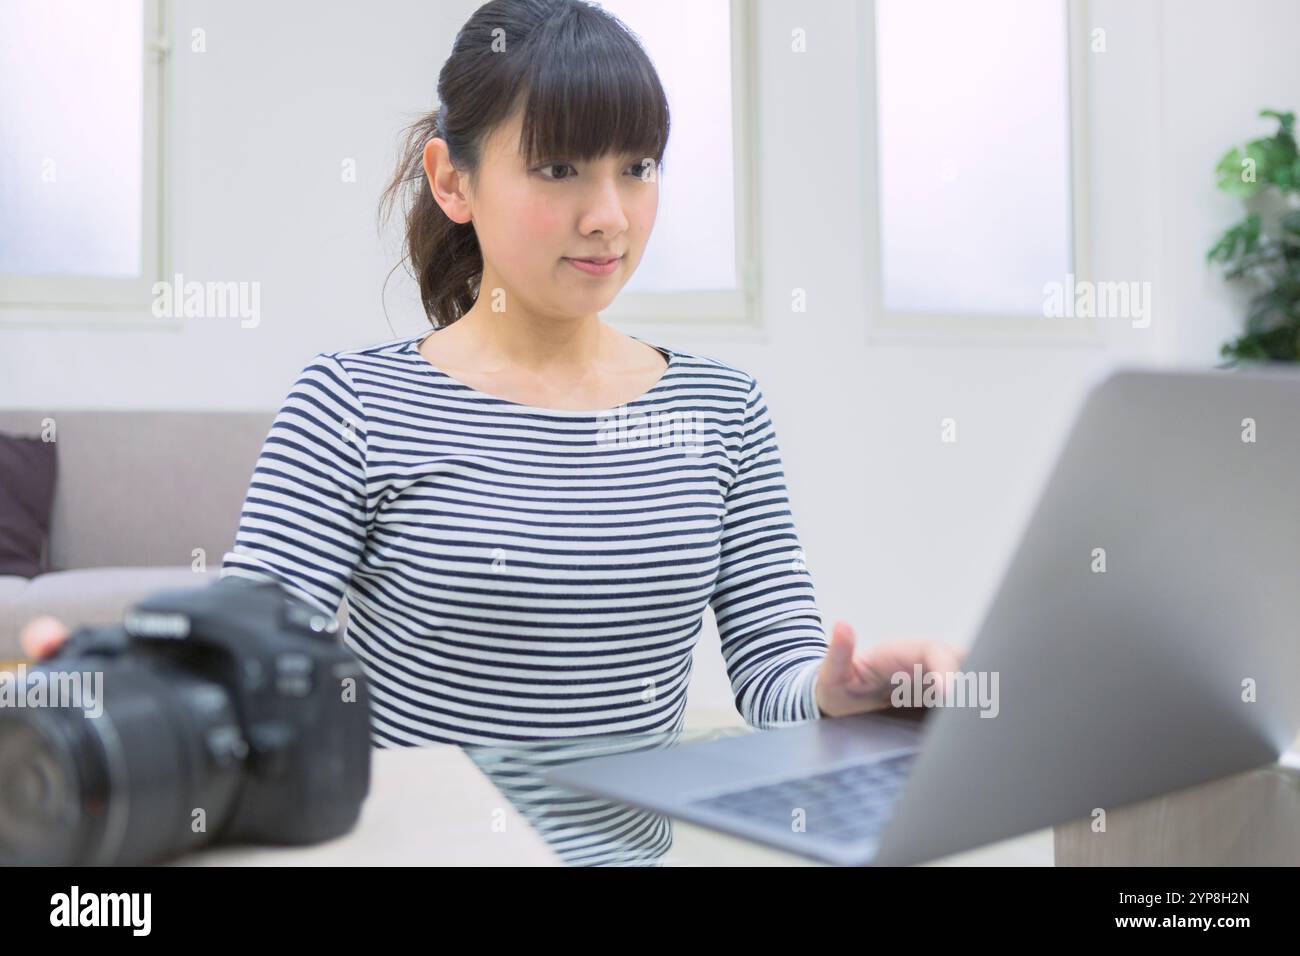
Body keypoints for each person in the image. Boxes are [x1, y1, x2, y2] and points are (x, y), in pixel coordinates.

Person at [21, 0, 963, 747]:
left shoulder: (721, 409)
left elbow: (774, 674)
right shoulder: (351, 403)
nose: (610, 216)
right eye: (557, 169)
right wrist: (118, 685)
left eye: (637, 167)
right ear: (452, 181)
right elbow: (252, 655)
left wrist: (844, 691)